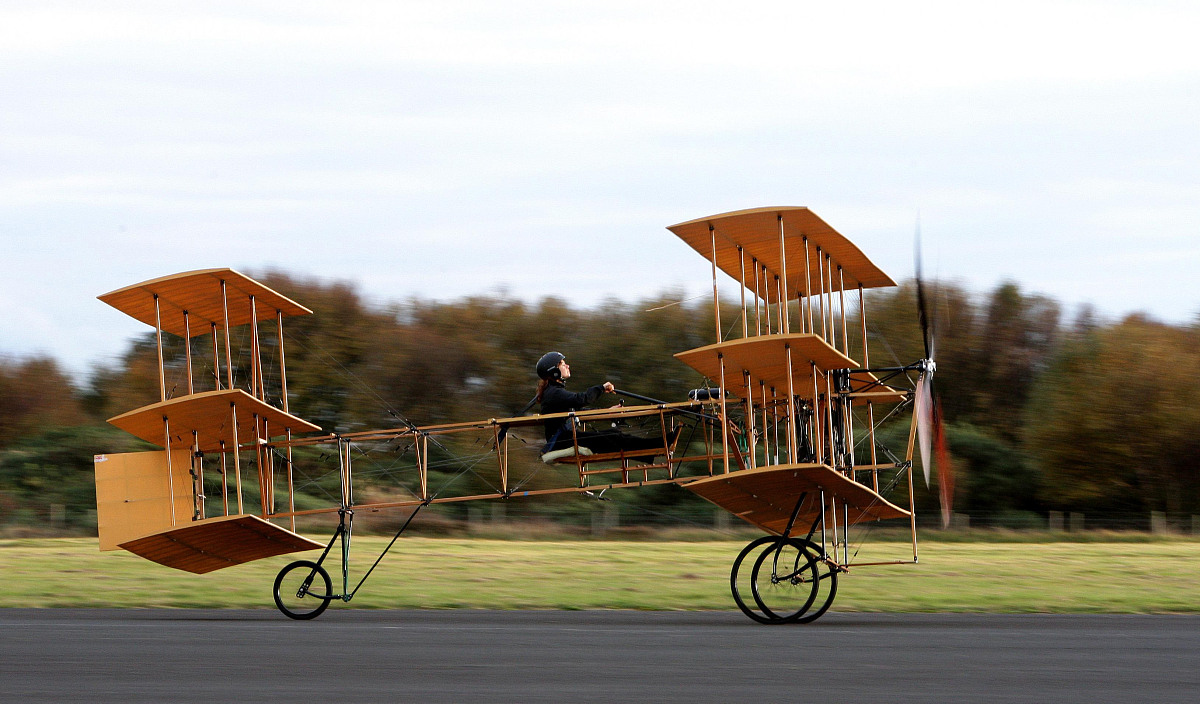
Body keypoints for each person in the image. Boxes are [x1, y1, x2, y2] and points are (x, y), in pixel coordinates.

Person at [535, 351, 676, 456]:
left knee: (613, 436)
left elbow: (578, 410)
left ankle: (655, 449)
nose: (568, 366)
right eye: (563, 364)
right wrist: (601, 388)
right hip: (562, 441)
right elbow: (581, 399)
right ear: (553, 372)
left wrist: (607, 411)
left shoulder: (554, 392)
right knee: (613, 436)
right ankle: (658, 447)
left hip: (565, 439)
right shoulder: (554, 393)